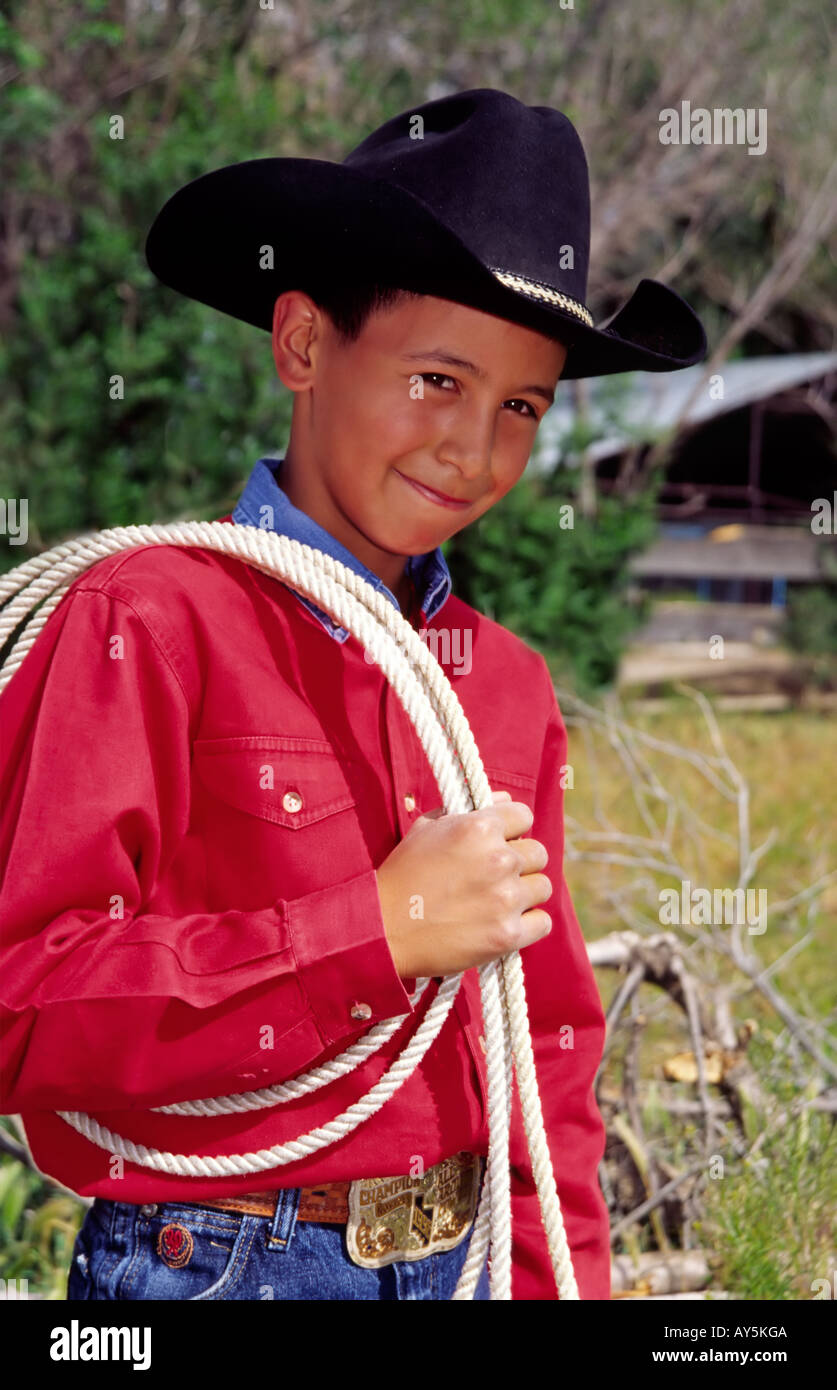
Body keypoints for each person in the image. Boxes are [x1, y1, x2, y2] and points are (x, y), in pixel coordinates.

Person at [0, 88, 706, 1301]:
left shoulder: (510, 690)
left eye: (521, 406)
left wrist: (560, 1286)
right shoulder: (144, 618)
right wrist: (370, 932)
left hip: (462, 1256)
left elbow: (540, 1056)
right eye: (438, 378)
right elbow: (25, 1001)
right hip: (218, 1257)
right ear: (305, 344)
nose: (474, 450)